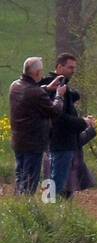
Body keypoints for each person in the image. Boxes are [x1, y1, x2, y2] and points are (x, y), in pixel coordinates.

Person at [8, 57, 66, 195]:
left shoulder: (15, 86)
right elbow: (54, 111)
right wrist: (59, 95)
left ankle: (18, 207)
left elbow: (29, 94)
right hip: (34, 143)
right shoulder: (36, 92)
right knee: (30, 181)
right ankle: (26, 208)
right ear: (37, 72)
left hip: (18, 141)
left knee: (20, 178)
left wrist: (46, 88)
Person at [41, 53, 95, 199]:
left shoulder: (60, 86)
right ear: (59, 67)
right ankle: (51, 214)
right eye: (70, 67)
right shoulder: (55, 88)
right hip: (60, 144)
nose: (73, 70)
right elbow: (59, 119)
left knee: (56, 184)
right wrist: (83, 122)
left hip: (57, 144)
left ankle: (55, 214)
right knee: (56, 185)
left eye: (74, 67)